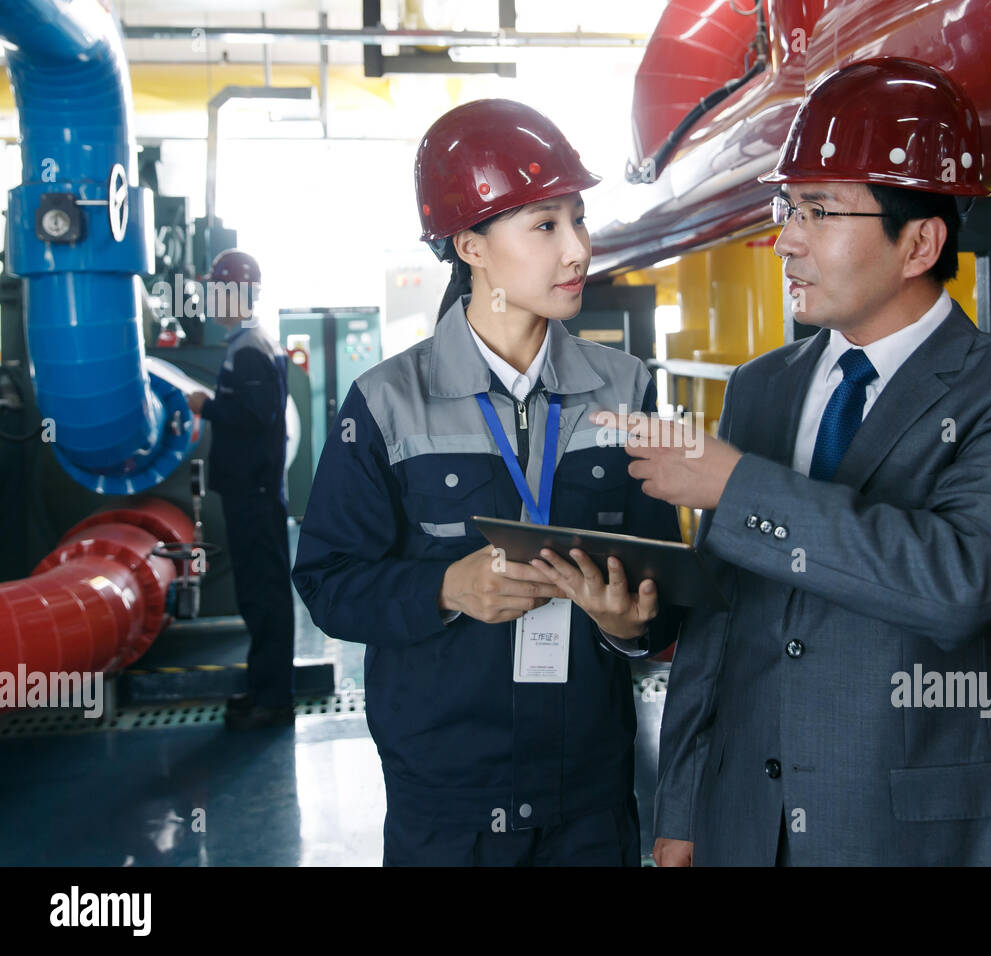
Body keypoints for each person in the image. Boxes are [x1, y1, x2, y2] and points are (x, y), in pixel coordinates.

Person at [593, 58, 991, 865]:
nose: (785, 239)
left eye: (819, 211)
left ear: (920, 242)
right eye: (786, 207)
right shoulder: (762, 389)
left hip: (919, 836)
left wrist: (732, 482)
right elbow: (727, 619)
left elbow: (962, 581)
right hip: (750, 830)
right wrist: (682, 806)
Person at [291, 99, 685, 866]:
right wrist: (447, 589)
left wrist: (627, 624)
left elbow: (664, 593)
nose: (578, 249)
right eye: (545, 226)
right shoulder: (383, 404)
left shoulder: (628, 390)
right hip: (448, 804)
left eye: (578, 218)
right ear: (470, 245)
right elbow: (329, 582)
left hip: (591, 796)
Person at [185, 249, 296, 731]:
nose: (209, 300)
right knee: (259, 593)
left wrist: (204, 405)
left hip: (253, 493)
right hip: (253, 491)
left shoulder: (249, 346)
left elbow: (255, 418)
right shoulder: (250, 342)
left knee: (263, 594)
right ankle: (265, 691)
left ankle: (272, 699)